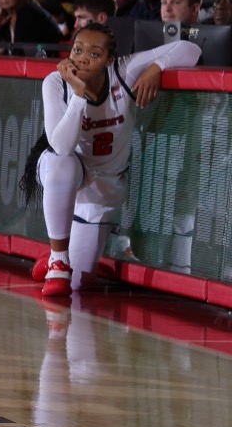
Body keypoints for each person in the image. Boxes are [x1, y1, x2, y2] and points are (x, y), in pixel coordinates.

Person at [22, 23, 199, 297]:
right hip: (69, 174)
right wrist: (79, 93)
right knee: (61, 163)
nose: (82, 58)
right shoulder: (55, 82)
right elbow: (62, 146)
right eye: (78, 50)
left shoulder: (124, 72)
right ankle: (58, 259)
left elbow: (190, 48)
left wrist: (156, 67)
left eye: (94, 54)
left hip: (104, 190)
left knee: (79, 283)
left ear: (109, 60)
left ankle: (59, 260)